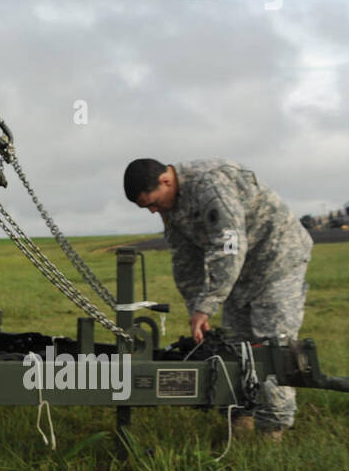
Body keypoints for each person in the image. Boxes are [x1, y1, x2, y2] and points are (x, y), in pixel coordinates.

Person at [124, 158, 313, 440]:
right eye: (146, 207)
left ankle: (272, 431)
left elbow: (229, 246)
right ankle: (241, 417)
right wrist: (196, 310)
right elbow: (184, 261)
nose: (153, 210)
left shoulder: (211, 185)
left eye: (152, 202)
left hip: (276, 263)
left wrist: (207, 304)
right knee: (236, 347)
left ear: (166, 180)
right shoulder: (170, 206)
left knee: (271, 346)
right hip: (238, 273)